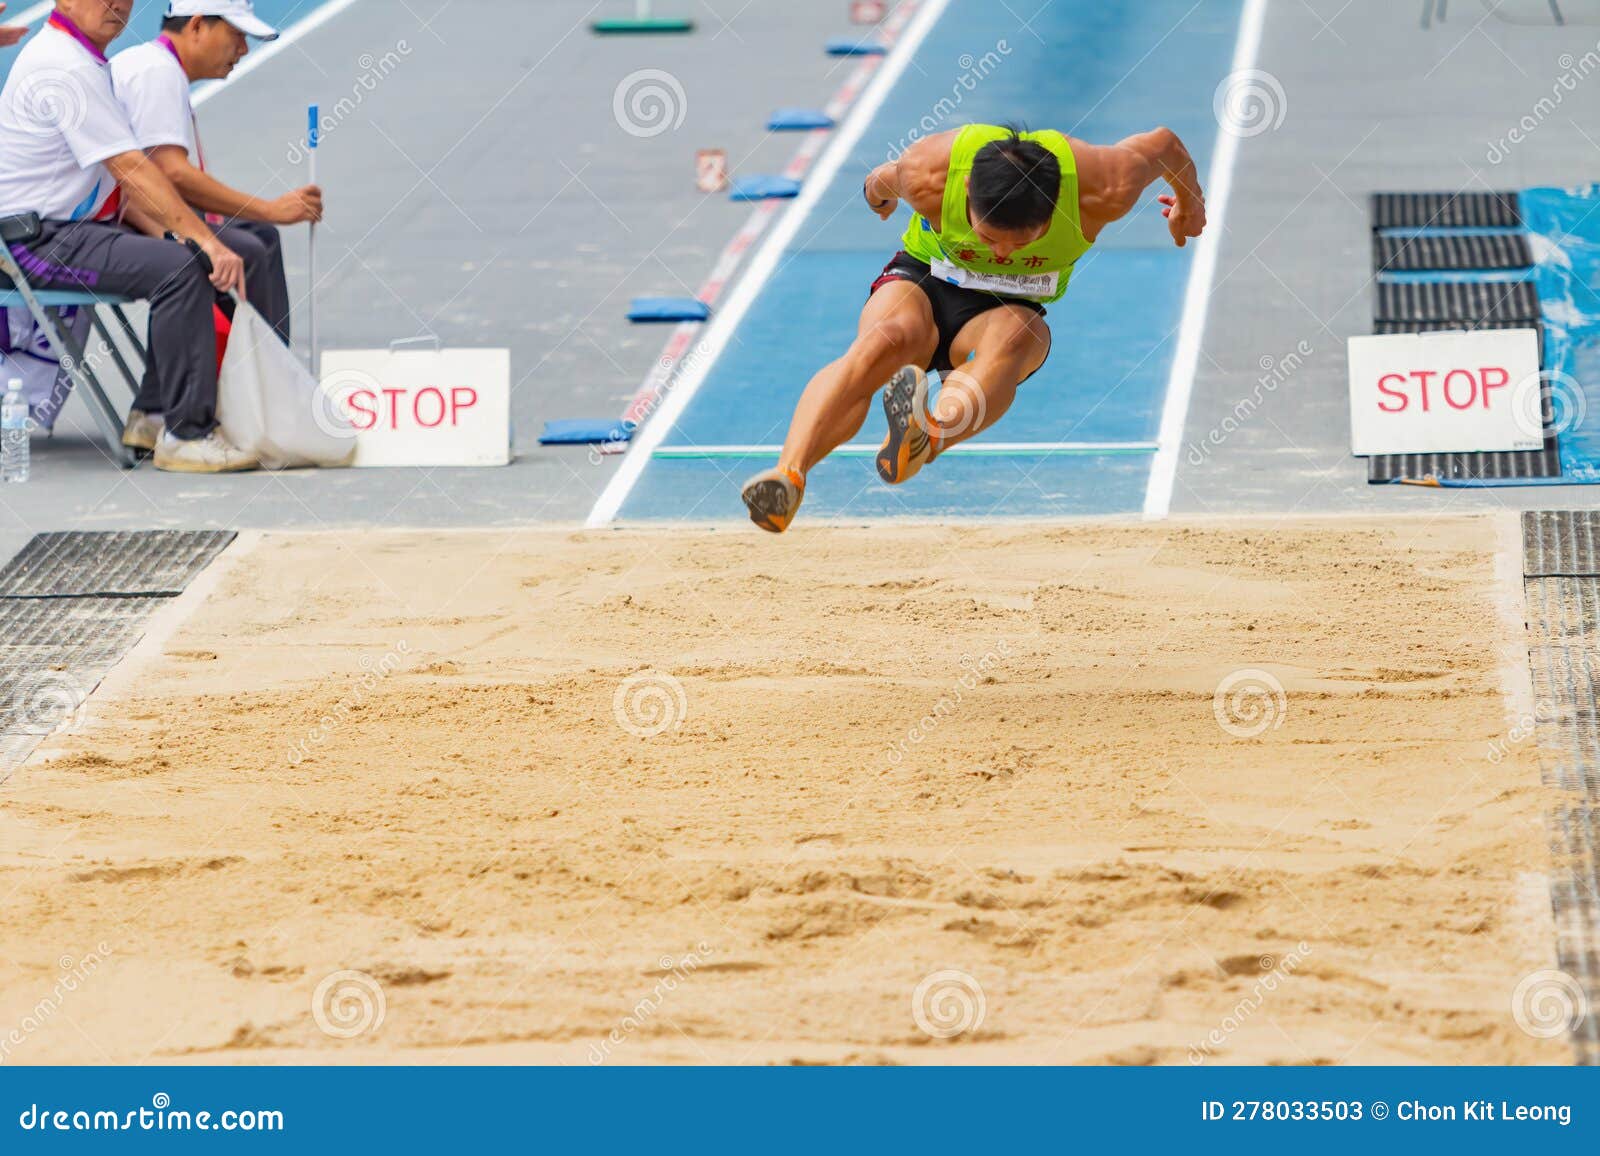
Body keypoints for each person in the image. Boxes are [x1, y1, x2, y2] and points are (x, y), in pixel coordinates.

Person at [739, 122, 1207, 533]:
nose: (1002, 254)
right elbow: (880, 180)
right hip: (924, 278)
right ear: (963, 194)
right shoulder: (928, 173)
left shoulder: (1105, 186)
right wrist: (876, 196)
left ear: (1055, 209)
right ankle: (789, 476)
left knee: (1017, 337)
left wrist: (1191, 204)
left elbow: (1165, 145)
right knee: (885, 342)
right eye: (988, 237)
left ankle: (926, 438)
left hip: (1008, 307)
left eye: (1022, 242)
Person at [0, 0, 254, 472]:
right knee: (180, 266)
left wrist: (190, 236)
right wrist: (205, 240)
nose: (116, 4)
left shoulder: (85, 60)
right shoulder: (64, 65)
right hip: (32, 242)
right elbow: (133, 169)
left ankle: (156, 414)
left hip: (67, 228)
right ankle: (187, 435)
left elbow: (127, 181)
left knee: (183, 255)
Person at [111, 1, 320, 388]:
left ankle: (259, 385)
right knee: (245, 251)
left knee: (258, 237)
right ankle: (255, 393)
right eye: (237, 35)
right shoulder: (156, 71)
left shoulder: (157, 67)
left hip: (133, 211)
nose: (243, 49)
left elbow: (168, 180)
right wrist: (270, 208)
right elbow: (172, 172)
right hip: (114, 219)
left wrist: (262, 216)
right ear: (196, 26)